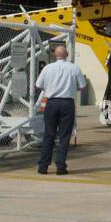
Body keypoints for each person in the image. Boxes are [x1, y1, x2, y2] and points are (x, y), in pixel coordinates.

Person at [35, 44, 86, 175]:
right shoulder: (74, 68)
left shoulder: (47, 68)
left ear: (54, 55)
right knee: (64, 136)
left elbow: (38, 84)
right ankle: (60, 166)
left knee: (49, 135)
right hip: (67, 103)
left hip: (51, 103)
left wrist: (51, 87)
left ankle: (43, 166)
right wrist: (70, 88)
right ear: (67, 55)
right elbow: (82, 86)